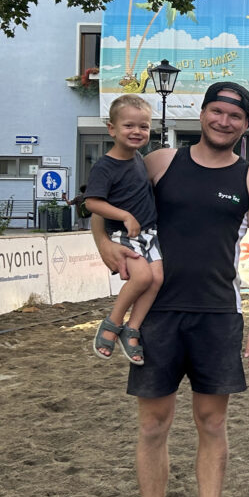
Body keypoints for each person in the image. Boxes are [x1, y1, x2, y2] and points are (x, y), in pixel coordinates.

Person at [93, 81, 249, 497]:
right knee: (152, 426)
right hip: (156, 315)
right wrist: (104, 247)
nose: (223, 122)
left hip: (218, 314)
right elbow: (100, 201)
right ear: (202, 114)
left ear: (245, 123)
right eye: (216, 112)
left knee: (212, 425)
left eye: (234, 116)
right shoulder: (159, 163)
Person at [85, 95, 164, 365]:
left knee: (157, 278)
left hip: (149, 235)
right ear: (112, 129)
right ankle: (112, 322)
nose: (137, 132)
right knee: (142, 278)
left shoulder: (138, 159)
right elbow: (92, 202)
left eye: (143, 126)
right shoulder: (104, 166)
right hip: (125, 235)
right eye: (129, 125)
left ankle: (133, 327)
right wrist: (125, 215)